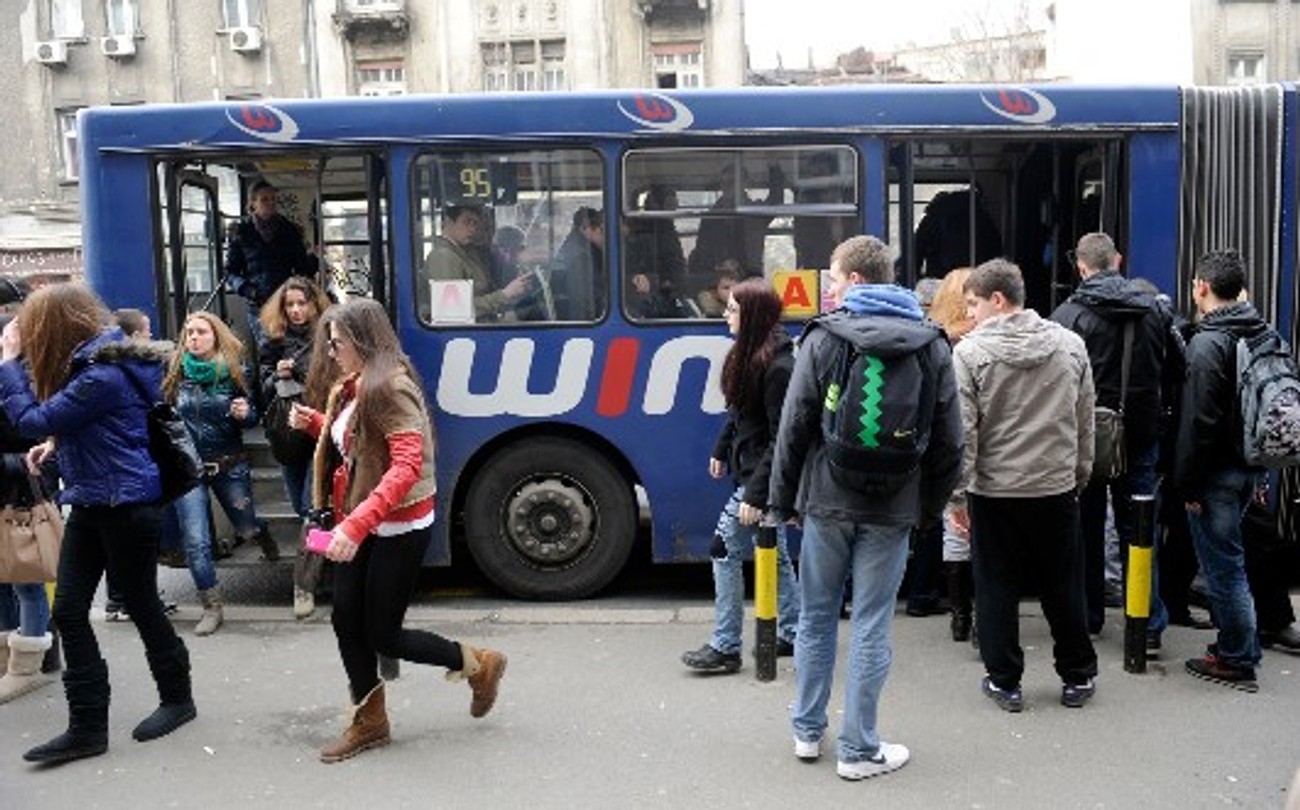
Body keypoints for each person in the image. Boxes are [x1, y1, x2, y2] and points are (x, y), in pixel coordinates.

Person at [769, 235, 961, 781]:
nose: (828, 287)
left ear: (855, 279)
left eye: (832, 277)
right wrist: (928, 508)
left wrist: (784, 500)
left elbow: (795, 425)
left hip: (827, 502)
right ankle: (858, 748)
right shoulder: (930, 344)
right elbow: (951, 441)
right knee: (873, 622)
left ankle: (808, 732)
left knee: (816, 615)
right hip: (894, 505)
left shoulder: (824, 338)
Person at [285, 298, 507, 763]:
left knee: (383, 634)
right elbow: (365, 446)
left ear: (363, 340)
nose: (331, 351)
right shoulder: (355, 384)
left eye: (338, 342)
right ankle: (370, 722)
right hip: (361, 522)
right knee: (346, 618)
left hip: (396, 527)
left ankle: (478, 664)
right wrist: (318, 426)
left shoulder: (389, 387)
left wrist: (357, 525)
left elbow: (405, 466)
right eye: (329, 342)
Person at [0, 283, 195, 764]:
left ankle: (178, 699)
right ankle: (87, 727)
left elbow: (31, 418)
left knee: (143, 604)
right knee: (68, 611)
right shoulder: (90, 367)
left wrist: (7, 364)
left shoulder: (101, 375)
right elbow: (87, 426)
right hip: (92, 500)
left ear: (56, 328)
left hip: (127, 505)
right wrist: (58, 444)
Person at [949, 259, 1098, 713]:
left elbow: (965, 434)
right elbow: (1084, 422)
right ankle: (1077, 675)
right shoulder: (1070, 345)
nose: (970, 315)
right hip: (1054, 488)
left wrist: (958, 497)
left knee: (995, 587)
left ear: (998, 300)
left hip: (995, 492)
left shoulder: (969, 354)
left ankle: (1005, 682)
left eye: (973, 304)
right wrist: (1078, 476)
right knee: (1063, 584)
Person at [1050, 233, 1178, 644]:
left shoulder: (1067, 315)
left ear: (1081, 267)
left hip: (1084, 436)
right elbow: (1177, 368)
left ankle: (1089, 617)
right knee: (1138, 528)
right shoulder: (1154, 312)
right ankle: (1148, 621)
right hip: (1140, 434)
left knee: (1083, 527)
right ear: (1118, 261)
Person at [681, 278, 800, 674]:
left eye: (732, 309)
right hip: (754, 476)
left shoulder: (779, 366)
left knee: (723, 548)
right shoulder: (754, 354)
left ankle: (726, 645)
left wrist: (755, 493)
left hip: (761, 482)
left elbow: (781, 438)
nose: (725, 315)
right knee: (778, 554)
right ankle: (796, 632)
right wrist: (721, 449)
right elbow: (740, 413)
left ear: (753, 316)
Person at [1174, 250, 1271, 691]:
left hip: (1217, 475)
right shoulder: (1263, 332)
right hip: (1252, 465)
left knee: (1224, 568)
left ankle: (1236, 657)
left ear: (1201, 288)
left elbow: (1199, 423)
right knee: (1234, 561)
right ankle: (1237, 645)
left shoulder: (1208, 343)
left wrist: (1188, 483)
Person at [164, 312, 275, 636]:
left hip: (228, 463)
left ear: (217, 336)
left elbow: (253, 416)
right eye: (188, 333)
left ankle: (261, 533)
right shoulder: (176, 372)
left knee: (247, 528)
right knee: (196, 542)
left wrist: (245, 414)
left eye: (200, 332)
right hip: (188, 469)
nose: (193, 339)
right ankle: (212, 607)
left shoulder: (236, 372)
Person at [259, 277, 332, 619]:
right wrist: (276, 375)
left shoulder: (329, 336)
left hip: (319, 431)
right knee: (301, 508)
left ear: (314, 304)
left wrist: (298, 369)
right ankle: (322, 570)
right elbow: (260, 385)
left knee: (310, 510)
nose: (296, 310)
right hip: (288, 436)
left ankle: (304, 585)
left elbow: (335, 377)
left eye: (302, 303)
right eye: (289, 305)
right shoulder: (274, 341)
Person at [927, 268, 976, 642]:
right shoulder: (981, 341)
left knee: (954, 530)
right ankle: (984, 612)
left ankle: (960, 617)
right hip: (986, 448)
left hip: (947, 447)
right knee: (985, 533)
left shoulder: (934, 341)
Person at [224, 180, 317, 347]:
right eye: (264, 199)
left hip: (285, 300)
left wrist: (315, 261)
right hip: (257, 302)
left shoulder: (289, 230)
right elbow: (230, 272)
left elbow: (302, 268)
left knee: (289, 347)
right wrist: (246, 289)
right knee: (267, 350)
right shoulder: (241, 232)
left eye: (273, 199)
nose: (270, 203)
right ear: (253, 203)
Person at [419, 205, 532, 323]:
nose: (472, 229)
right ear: (448, 222)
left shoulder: (467, 254)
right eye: (467, 222)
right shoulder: (443, 257)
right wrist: (505, 294)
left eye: (475, 224)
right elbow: (452, 310)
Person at [688, 163, 785, 279]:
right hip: (719, 278)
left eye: (732, 182)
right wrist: (719, 264)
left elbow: (775, 203)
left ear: (745, 184)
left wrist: (773, 166)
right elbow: (702, 252)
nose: (726, 187)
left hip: (750, 274)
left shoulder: (754, 213)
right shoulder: (711, 217)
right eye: (723, 183)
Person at [913, 188, 1003, 278]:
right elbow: (996, 251)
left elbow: (916, 251)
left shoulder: (933, 218)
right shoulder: (982, 219)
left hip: (941, 275)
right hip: (977, 276)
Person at [550, 207, 606, 321]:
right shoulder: (582, 256)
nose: (605, 237)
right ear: (585, 229)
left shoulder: (576, 247)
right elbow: (588, 299)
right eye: (602, 231)